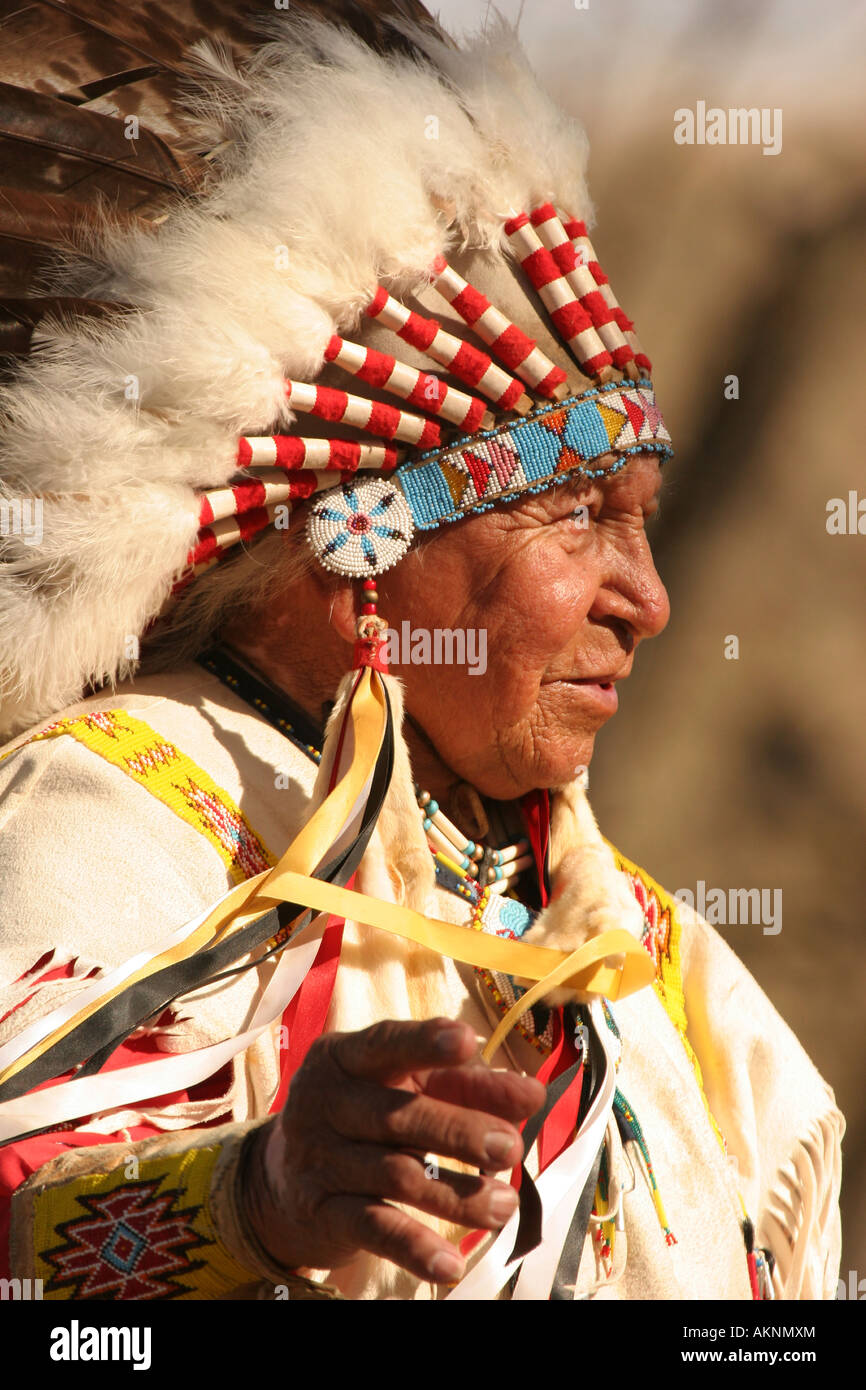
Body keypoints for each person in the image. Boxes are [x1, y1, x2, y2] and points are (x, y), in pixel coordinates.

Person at [0, 7, 842, 1301]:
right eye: (576, 518)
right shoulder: (115, 811)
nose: (649, 602)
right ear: (359, 546)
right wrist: (252, 1202)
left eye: (645, 529)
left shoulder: (650, 964)